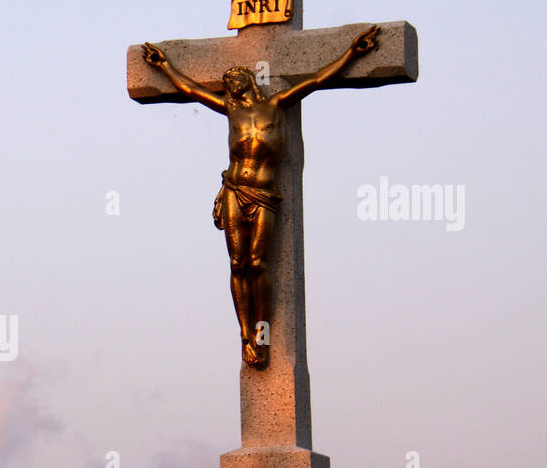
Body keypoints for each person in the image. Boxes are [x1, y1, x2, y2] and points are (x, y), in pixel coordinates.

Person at [140, 26, 379, 368]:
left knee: (255, 262)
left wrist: (353, 54)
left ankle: (262, 333)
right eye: (228, 79)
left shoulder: (276, 104)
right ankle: (245, 334)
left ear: (250, 80)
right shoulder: (230, 110)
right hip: (236, 189)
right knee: (237, 264)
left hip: (264, 192)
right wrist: (163, 66)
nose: (230, 81)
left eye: (236, 76)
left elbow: (315, 80)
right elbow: (190, 88)